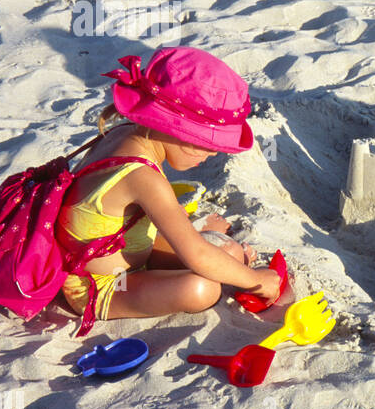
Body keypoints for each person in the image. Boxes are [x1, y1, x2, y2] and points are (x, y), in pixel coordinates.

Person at [57, 48, 282, 323]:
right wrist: (257, 281)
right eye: (205, 143)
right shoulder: (141, 176)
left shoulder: (127, 133)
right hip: (101, 283)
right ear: (169, 126)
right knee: (202, 289)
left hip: (123, 248)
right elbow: (197, 255)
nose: (212, 154)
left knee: (228, 252)